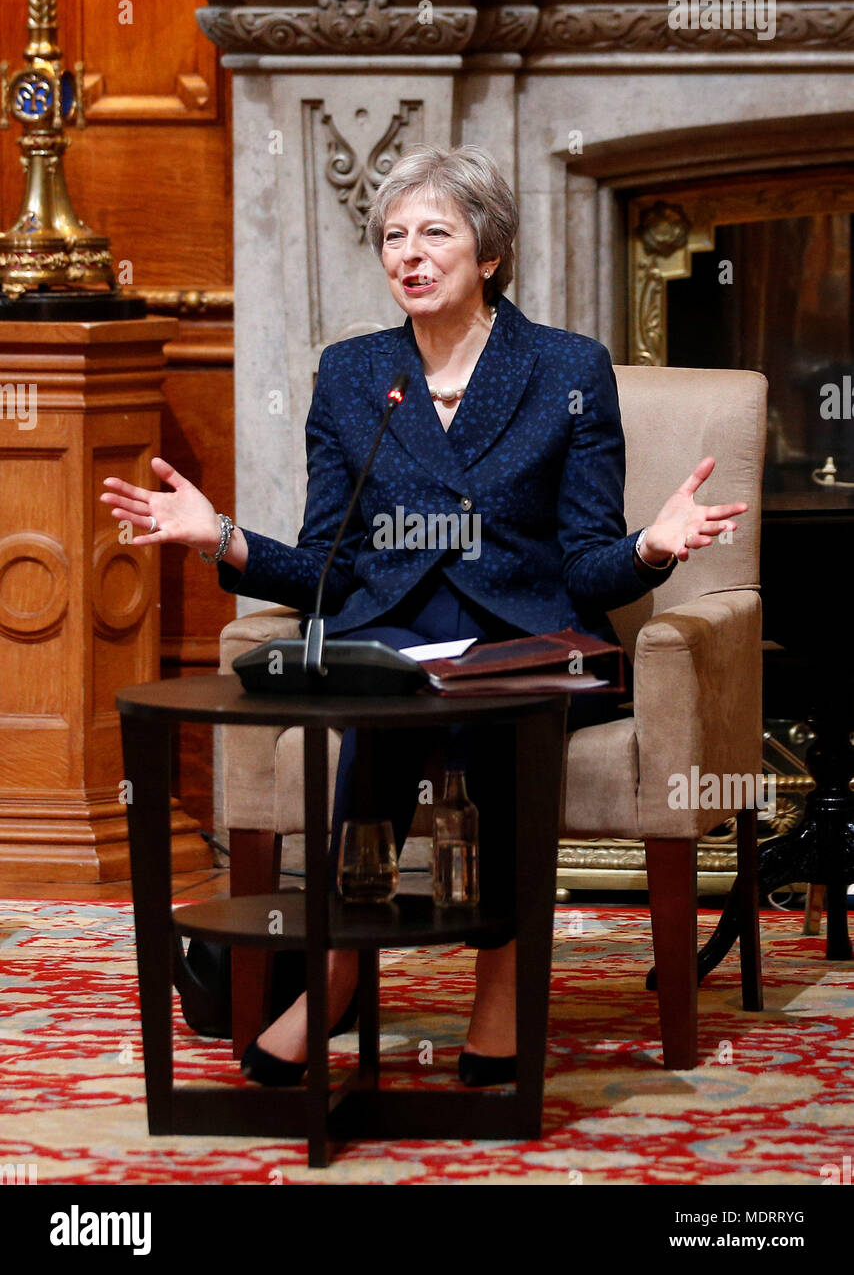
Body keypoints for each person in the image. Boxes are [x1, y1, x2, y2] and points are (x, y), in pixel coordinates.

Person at [101, 144, 748, 1088]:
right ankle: (334, 973)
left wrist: (654, 543)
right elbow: (329, 567)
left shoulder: (567, 368)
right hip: (398, 635)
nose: (410, 253)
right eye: (393, 236)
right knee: (382, 699)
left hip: (534, 640)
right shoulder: (355, 374)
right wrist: (223, 537)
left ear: (488, 254)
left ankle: (503, 984)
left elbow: (587, 566)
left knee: (498, 715)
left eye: (435, 232)